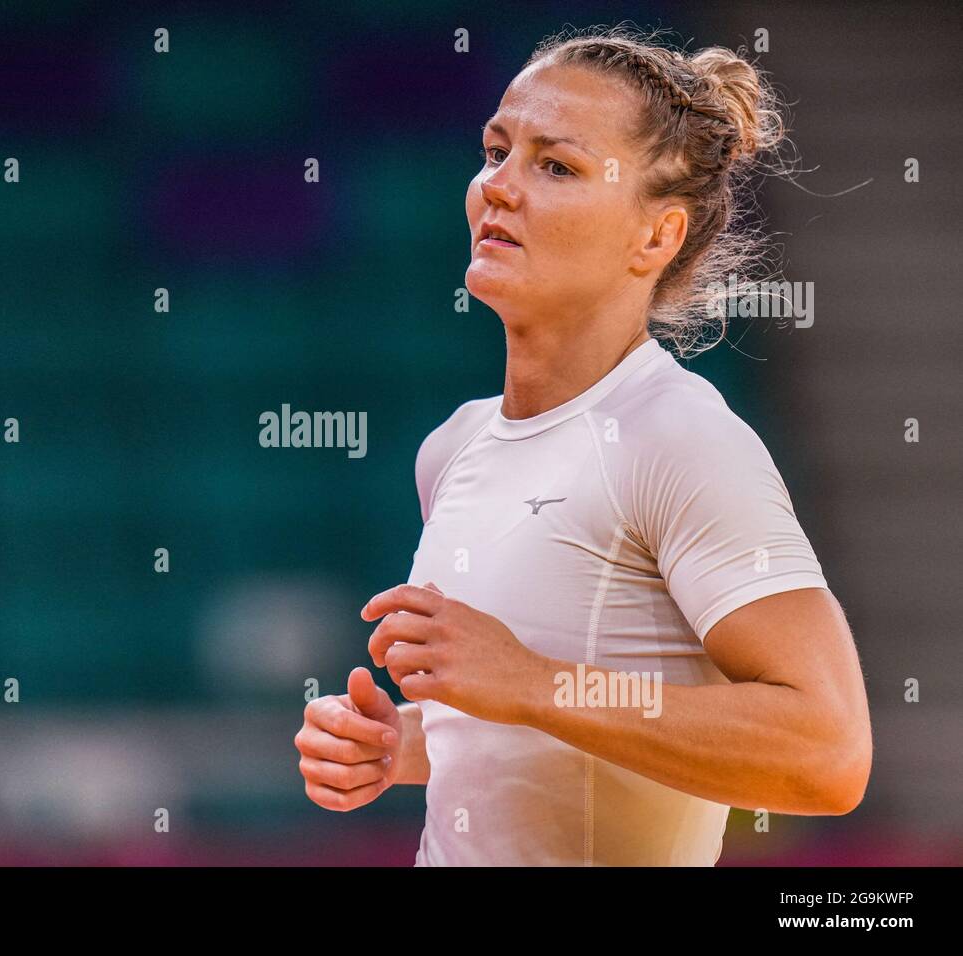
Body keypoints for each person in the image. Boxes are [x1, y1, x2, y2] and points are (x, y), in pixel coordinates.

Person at [294, 26, 872, 865]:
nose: (499, 188)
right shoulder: (453, 447)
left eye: (555, 166)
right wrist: (408, 743)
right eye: (496, 152)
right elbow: (554, 726)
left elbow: (827, 752)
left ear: (656, 238)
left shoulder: (680, 438)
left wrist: (530, 683)